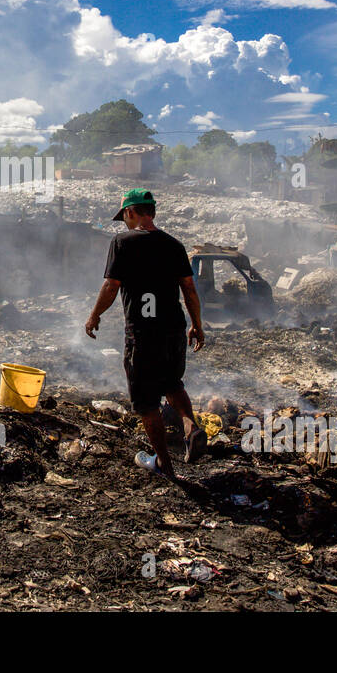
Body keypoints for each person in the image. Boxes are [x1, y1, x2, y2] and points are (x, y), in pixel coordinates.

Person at [85, 188, 206, 478]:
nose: (124, 222)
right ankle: (191, 427)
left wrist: (94, 315)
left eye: (124, 216)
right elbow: (189, 288)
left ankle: (164, 462)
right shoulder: (174, 245)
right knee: (172, 383)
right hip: (173, 328)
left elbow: (111, 286)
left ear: (130, 212)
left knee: (146, 402)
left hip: (142, 332)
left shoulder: (121, 243)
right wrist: (197, 325)